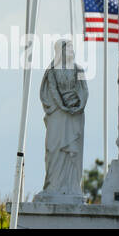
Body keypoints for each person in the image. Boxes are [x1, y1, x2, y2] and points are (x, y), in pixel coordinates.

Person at [35, 38, 88, 203]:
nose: (71, 51)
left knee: (73, 151)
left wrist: (78, 105)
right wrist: (63, 106)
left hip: (75, 113)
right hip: (58, 113)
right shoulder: (52, 71)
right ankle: (54, 185)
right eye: (68, 48)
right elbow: (52, 90)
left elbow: (84, 90)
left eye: (73, 48)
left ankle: (71, 186)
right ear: (60, 51)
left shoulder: (78, 69)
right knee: (54, 148)